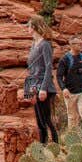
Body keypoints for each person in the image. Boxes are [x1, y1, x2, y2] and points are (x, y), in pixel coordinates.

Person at [23, 15, 58, 145]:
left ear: (34, 27)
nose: (27, 28)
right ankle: (43, 148)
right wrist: (29, 91)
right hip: (34, 86)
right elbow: (31, 69)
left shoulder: (45, 44)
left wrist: (43, 88)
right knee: (39, 121)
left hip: (45, 87)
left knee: (47, 120)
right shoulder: (33, 45)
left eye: (29, 26)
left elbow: (49, 67)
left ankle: (56, 146)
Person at [57, 33, 82, 142]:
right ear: (72, 45)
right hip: (70, 93)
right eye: (78, 44)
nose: (81, 46)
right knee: (72, 117)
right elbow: (59, 76)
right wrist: (63, 88)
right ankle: (72, 140)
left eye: (81, 44)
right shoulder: (65, 60)